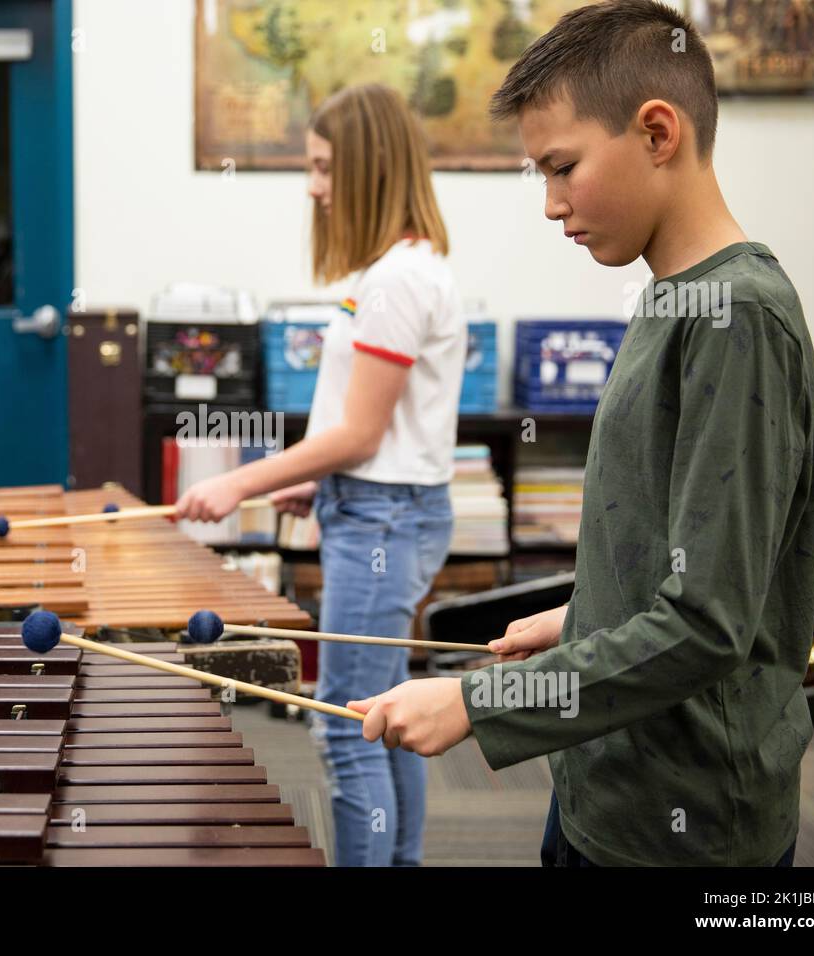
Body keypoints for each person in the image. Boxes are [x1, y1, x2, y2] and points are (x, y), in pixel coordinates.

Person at [351, 0, 814, 867]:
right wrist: (585, 612)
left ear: (657, 132)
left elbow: (711, 625)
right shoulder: (673, 295)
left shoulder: (738, 318)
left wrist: (477, 705)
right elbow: (687, 554)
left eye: (561, 167)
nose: (550, 203)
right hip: (604, 783)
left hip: (682, 826)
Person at [174, 84, 465, 866]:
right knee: (389, 715)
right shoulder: (398, 268)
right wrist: (321, 483)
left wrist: (244, 482)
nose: (313, 185)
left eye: (324, 167)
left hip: (383, 519)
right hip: (381, 505)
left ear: (371, 165)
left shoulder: (399, 279)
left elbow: (361, 431)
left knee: (346, 724)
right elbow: (375, 429)